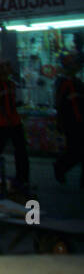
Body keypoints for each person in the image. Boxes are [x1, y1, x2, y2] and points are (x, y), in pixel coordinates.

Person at [0, 60, 30, 187]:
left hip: (14, 121)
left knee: (21, 149)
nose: (10, 68)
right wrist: (7, 117)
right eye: (7, 66)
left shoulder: (11, 84)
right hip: (1, 122)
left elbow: (12, 102)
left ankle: (23, 176)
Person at [53, 53, 83, 186]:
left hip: (79, 120)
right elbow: (59, 104)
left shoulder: (77, 82)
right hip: (71, 121)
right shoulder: (63, 82)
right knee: (75, 150)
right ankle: (60, 167)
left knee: (78, 150)